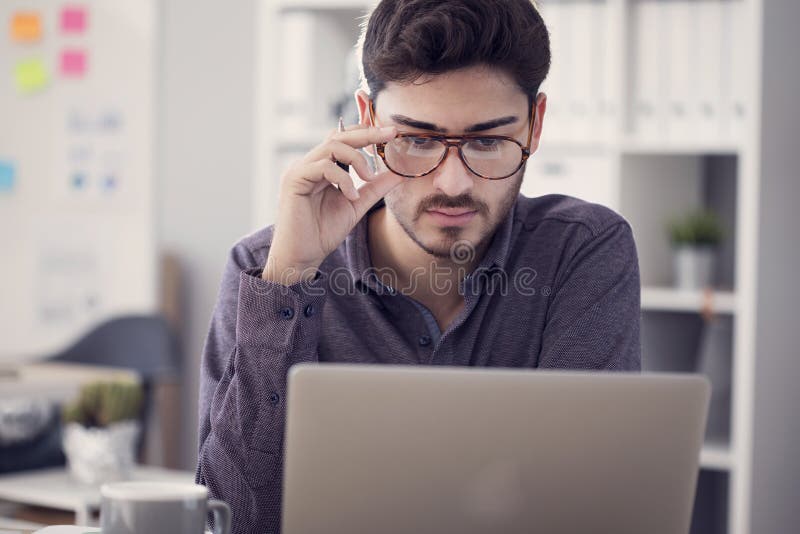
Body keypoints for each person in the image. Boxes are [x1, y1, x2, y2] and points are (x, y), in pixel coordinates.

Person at [196, 0, 641, 531]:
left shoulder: (581, 250)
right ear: (367, 121)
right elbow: (230, 521)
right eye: (418, 140)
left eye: (487, 141)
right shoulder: (265, 266)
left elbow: (584, 507)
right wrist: (289, 280)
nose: (452, 183)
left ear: (534, 125)